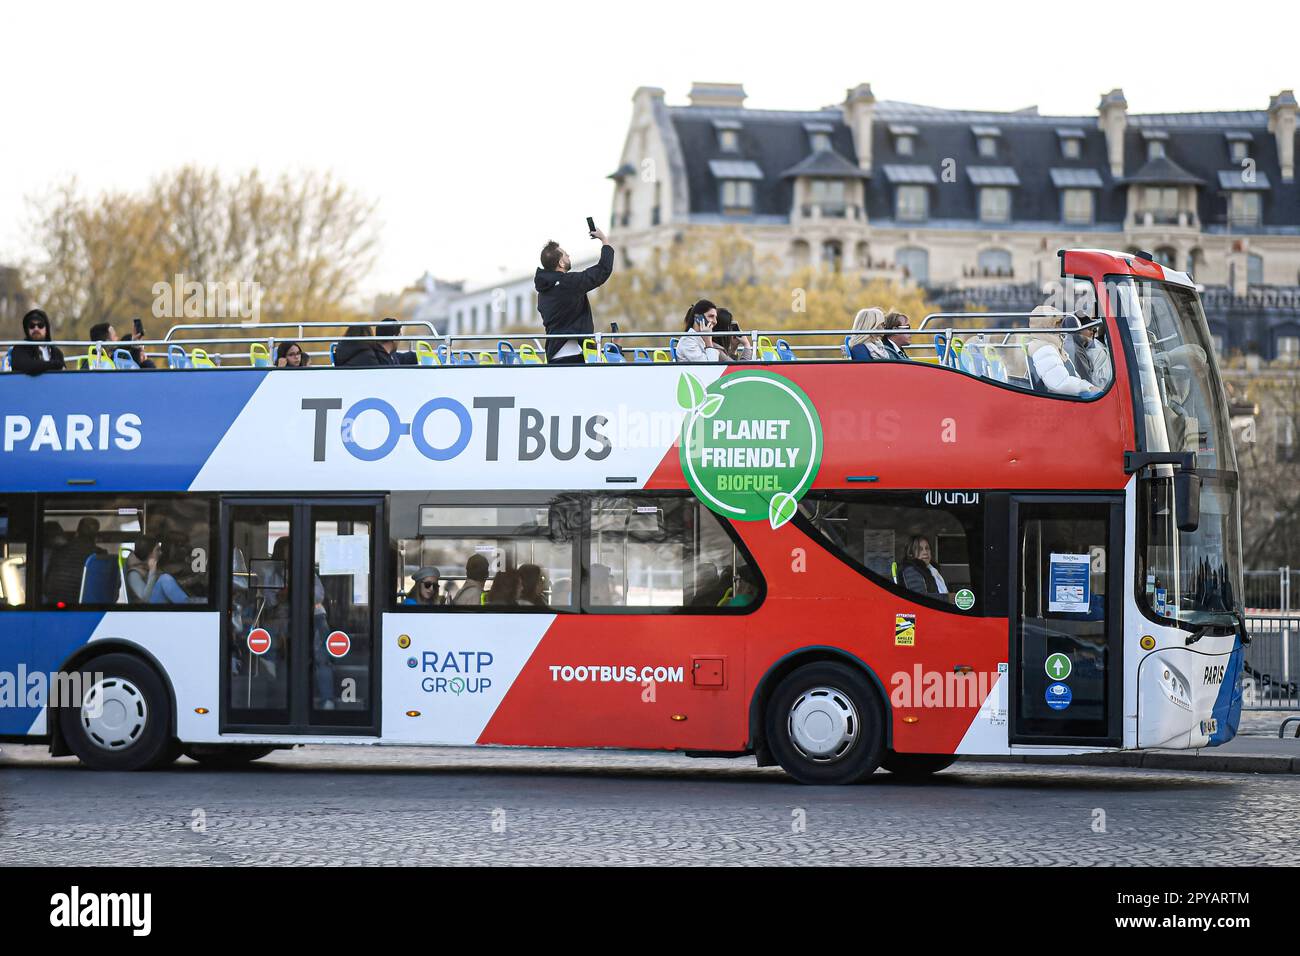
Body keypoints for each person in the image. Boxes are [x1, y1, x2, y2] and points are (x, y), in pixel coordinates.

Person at [534, 228, 615, 364]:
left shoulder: (543, 291)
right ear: (560, 263)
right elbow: (602, 270)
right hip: (574, 354)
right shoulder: (568, 283)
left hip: (554, 354)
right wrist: (604, 241)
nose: (569, 256)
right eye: (565, 255)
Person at [1024, 305, 1094, 396]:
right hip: (1057, 403)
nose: (1060, 327)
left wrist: (1086, 386)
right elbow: (1059, 382)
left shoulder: (1052, 345)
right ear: (1048, 325)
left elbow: (1072, 375)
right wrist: (1088, 388)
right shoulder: (1043, 348)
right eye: (1057, 323)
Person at [44, 517, 102, 603]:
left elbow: (47, 584)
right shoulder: (100, 555)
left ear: (77, 533)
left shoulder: (59, 551)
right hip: (86, 605)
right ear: (96, 537)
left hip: (56, 604)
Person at [9, 309, 65, 375]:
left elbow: (63, 373)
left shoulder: (56, 352)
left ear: (46, 329)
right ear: (27, 330)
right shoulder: (19, 349)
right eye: (32, 326)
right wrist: (55, 365)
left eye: (40, 325)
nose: (36, 329)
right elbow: (29, 366)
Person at [1063, 315, 1112, 391]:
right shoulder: (1077, 351)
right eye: (1089, 329)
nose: (1092, 332)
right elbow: (1091, 382)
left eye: (1094, 329)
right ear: (1078, 330)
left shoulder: (1074, 345)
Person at [89, 322, 155, 368]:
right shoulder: (109, 362)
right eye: (115, 336)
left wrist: (134, 344)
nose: (117, 338)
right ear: (107, 341)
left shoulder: (90, 361)